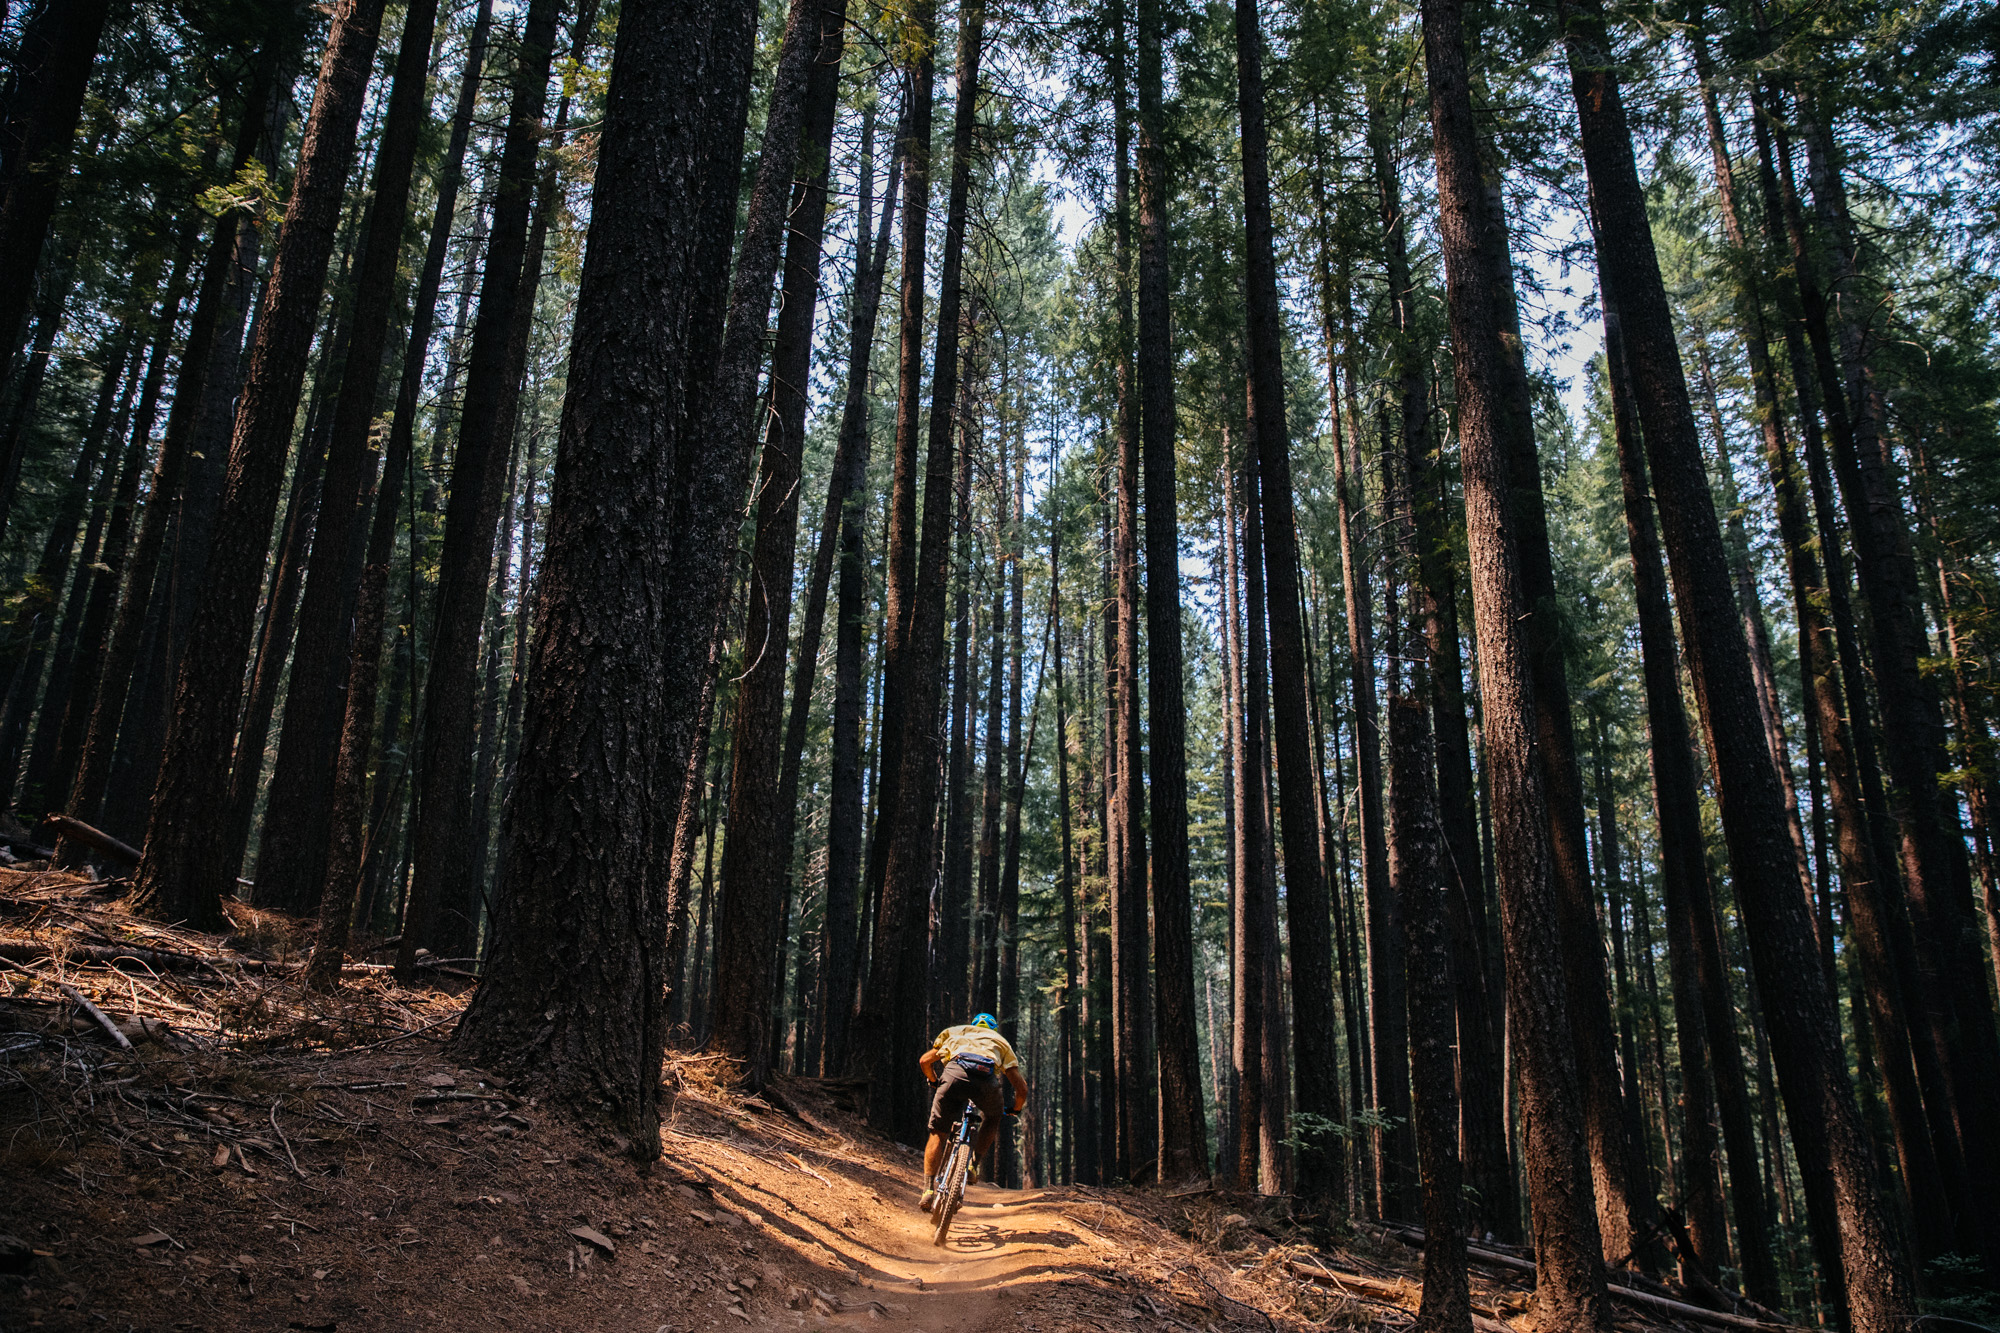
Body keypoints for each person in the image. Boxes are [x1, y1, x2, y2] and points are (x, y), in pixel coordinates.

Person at [917, 1013, 1029, 1210]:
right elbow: (1021, 1087)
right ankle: (973, 1164)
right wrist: (1015, 1109)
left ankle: (928, 1190)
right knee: (993, 1117)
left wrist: (934, 1080)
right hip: (985, 1082)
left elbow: (925, 1061)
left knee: (938, 1133)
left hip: (954, 1075)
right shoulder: (1000, 1041)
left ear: (973, 1025)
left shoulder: (956, 1032)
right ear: (992, 1030)